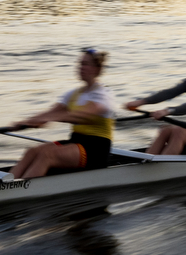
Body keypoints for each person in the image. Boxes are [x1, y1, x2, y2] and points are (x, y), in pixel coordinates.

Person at [9, 49, 117, 180]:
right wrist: (26, 121)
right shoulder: (72, 94)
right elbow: (51, 112)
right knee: (32, 152)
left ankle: (21, 192)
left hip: (95, 150)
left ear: (97, 69)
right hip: (76, 142)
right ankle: (5, 186)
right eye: (80, 63)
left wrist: (49, 118)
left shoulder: (104, 95)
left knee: (47, 155)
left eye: (85, 64)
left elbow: (82, 116)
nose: (80, 67)